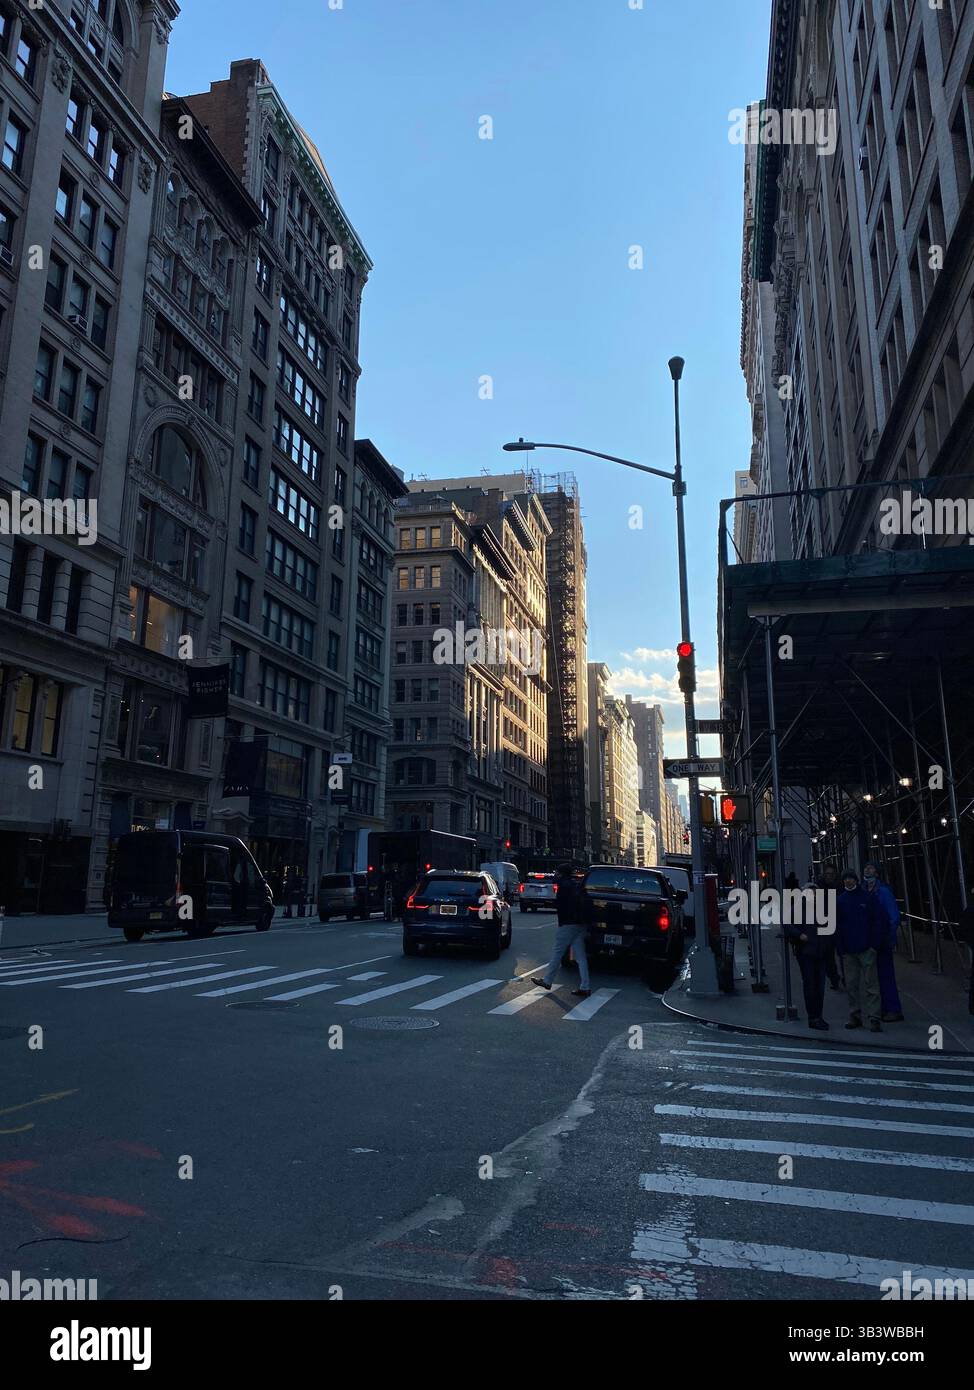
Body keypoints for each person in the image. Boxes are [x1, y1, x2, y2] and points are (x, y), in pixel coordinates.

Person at [836, 868, 886, 1032]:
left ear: (856, 880)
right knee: (852, 985)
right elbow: (837, 926)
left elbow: (877, 922)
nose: (848, 881)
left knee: (870, 984)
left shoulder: (867, 898)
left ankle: (873, 1018)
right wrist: (841, 948)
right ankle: (856, 1015)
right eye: (846, 879)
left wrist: (873, 945)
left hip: (865, 948)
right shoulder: (841, 900)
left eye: (850, 878)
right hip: (850, 949)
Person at [532, 863, 591, 999]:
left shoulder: (564, 887)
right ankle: (585, 986)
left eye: (557, 872)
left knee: (557, 952)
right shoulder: (576, 885)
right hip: (579, 924)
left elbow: (560, 906)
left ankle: (547, 981)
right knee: (581, 957)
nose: (555, 875)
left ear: (561, 874)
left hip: (567, 924)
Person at [863, 862, 904, 1022]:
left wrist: (888, 937)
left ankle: (892, 1009)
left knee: (885, 975)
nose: (867, 869)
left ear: (878, 873)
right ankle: (881, 1008)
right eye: (866, 867)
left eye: (871, 867)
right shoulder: (866, 890)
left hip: (882, 941)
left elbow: (893, 917)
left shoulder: (884, 892)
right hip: (870, 940)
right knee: (873, 977)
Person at [784, 907, 831, 1031]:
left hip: (817, 951)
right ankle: (814, 1017)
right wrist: (799, 935)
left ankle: (817, 1016)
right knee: (811, 985)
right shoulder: (800, 910)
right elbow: (787, 923)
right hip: (808, 952)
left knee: (818, 986)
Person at [813, 864, 843, 992]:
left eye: (831, 874)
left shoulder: (840, 887)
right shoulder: (819, 888)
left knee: (843, 955)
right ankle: (834, 978)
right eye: (827, 874)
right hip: (826, 925)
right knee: (828, 956)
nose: (829, 876)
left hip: (839, 924)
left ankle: (845, 979)